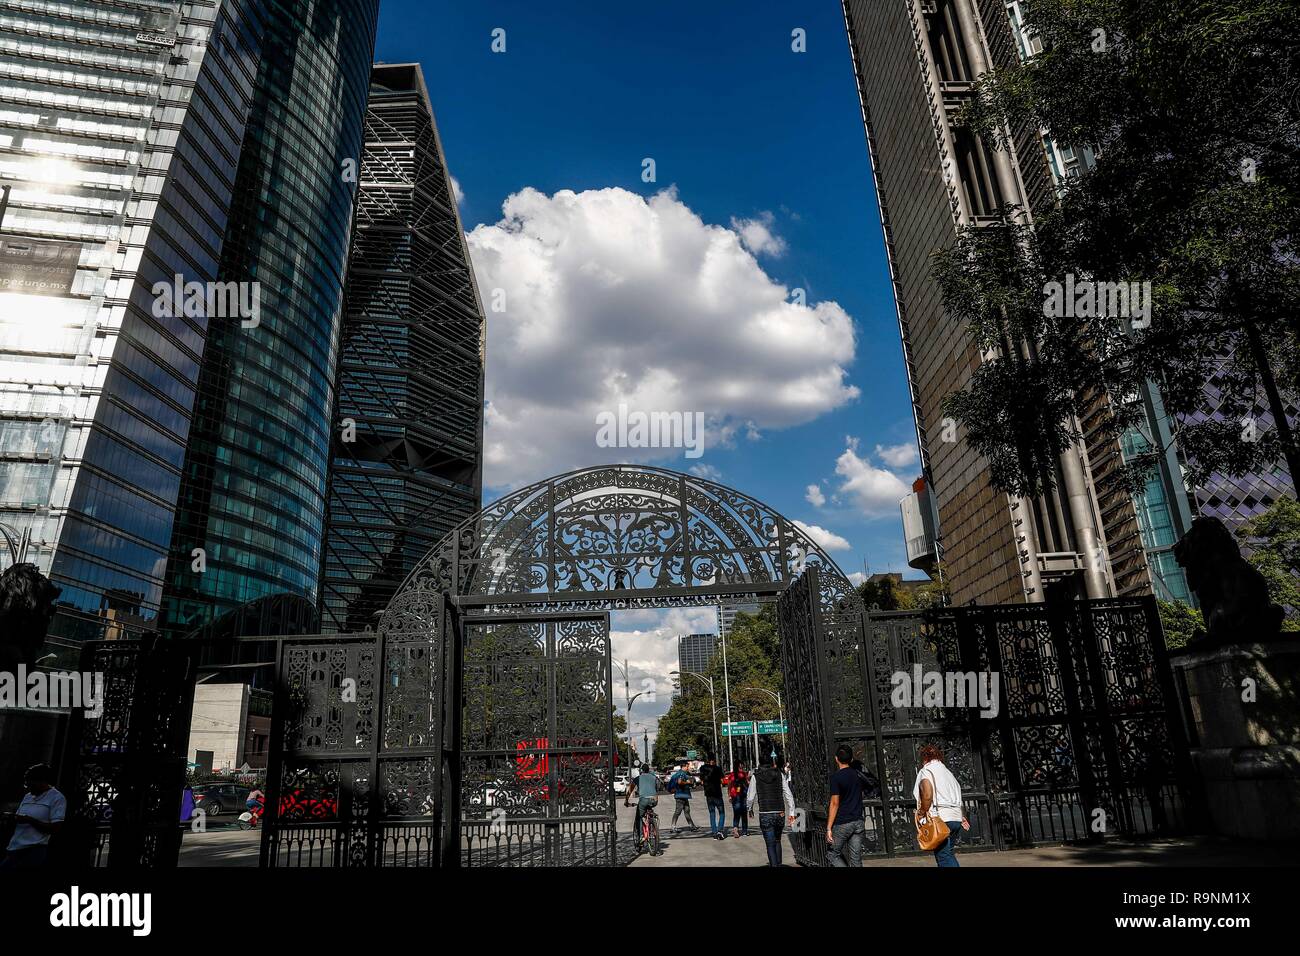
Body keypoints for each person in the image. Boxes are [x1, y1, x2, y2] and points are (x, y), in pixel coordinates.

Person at [913, 743, 970, 867]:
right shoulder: (949, 774)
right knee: (948, 853)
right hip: (955, 818)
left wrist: (922, 812)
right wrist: (962, 816)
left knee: (943, 856)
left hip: (940, 818)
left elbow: (927, 794)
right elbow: (959, 797)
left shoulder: (926, 771)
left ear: (924, 758)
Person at [0, 764, 65, 869]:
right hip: (15, 848)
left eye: (31, 784)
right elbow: (19, 817)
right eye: (26, 784)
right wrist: (11, 818)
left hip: (34, 850)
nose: (28, 788)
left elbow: (55, 828)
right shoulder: (28, 796)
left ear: (42, 782)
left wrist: (29, 820)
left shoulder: (57, 798)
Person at [746, 752, 796, 866]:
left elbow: (750, 796)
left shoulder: (756, 776)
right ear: (771, 762)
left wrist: (750, 808)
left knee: (770, 844)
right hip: (780, 813)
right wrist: (792, 812)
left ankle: (774, 865)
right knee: (777, 840)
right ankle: (778, 864)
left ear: (760, 762)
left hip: (765, 813)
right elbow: (788, 794)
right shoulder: (779, 774)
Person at [826, 744, 865, 866]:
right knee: (855, 858)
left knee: (832, 854)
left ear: (836, 758)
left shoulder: (836, 777)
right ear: (851, 759)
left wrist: (829, 828)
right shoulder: (857, 775)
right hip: (858, 821)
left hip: (843, 822)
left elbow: (834, 803)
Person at [624, 764, 661, 850]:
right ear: (648, 770)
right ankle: (652, 825)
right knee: (649, 809)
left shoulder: (638, 778)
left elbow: (630, 790)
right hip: (654, 800)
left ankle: (641, 836)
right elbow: (656, 788)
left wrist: (626, 800)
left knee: (639, 817)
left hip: (643, 800)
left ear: (641, 771)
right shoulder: (654, 777)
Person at [698, 753, 726, 840]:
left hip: (708, 794)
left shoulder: (702, 769)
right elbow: (722, 780)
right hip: (717, 794)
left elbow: (701, 782)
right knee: (722, 813)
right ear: (714, 760)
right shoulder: (718, 769)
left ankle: (714, 832)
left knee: (712, 813)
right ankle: (720, 831)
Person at [667, 762, 698, 834]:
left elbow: (671, 785)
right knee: (678, 811)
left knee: (687, 810)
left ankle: (692, 826)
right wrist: (688, 782)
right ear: (684, 767)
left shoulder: (677, 774)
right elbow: (680, 782)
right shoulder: (682, 773)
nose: (688, 768)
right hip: (681, 795)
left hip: (683, 795)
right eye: (687, 767)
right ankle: (673, 827)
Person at [722, 761, 749, 837]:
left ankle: (736, 829)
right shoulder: (744, 774)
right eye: (741, 767)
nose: (741, 768)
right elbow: (747, 784)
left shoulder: (732, 775)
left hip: (735, 795)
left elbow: (729, 786)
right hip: (742, 795)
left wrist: (729, 795)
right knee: (744, 813)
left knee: (736, 813)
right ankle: (744, 831)